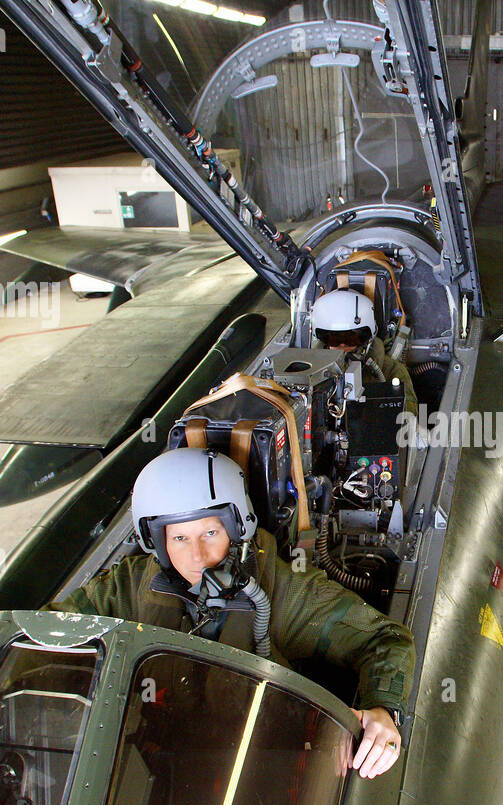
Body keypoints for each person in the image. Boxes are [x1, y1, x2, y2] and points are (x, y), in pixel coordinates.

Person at [44, 447, 413, 779]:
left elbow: (384, 639)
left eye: (210, 533)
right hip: (152, 768)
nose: (197, 557)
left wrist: (382, 709)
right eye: (179, 538)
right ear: (157, 543)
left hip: (256, 769)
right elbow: (46, 637)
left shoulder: (281, 591)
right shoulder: (129, 588)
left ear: (238, 530)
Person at [310, 287, 418, 418]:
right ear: (322, 339)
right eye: (334, 338)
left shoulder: (392, 372)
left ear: (368, 337)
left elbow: (409, 420)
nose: (343, 345)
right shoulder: (310, 373)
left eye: (351, 338)